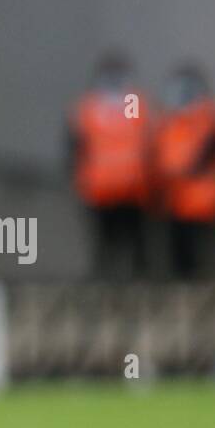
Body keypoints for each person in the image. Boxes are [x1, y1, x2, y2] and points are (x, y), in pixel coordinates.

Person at [68, 52, 151, 279]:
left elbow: (138, 134)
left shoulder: (129, 101)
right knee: (106, 243)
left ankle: (135, 282)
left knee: (133, 242)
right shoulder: (90, 106)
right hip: (101, 186)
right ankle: (107, 282)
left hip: (129, 185)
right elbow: (77, 144)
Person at [150, 63, 215, 278]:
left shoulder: (211, 115)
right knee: (181, 255)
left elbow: (210, 151)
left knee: (205, 257)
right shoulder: (167, 119)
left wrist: (186, 171)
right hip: (176, 199)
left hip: (204, 199)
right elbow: (158, 155)